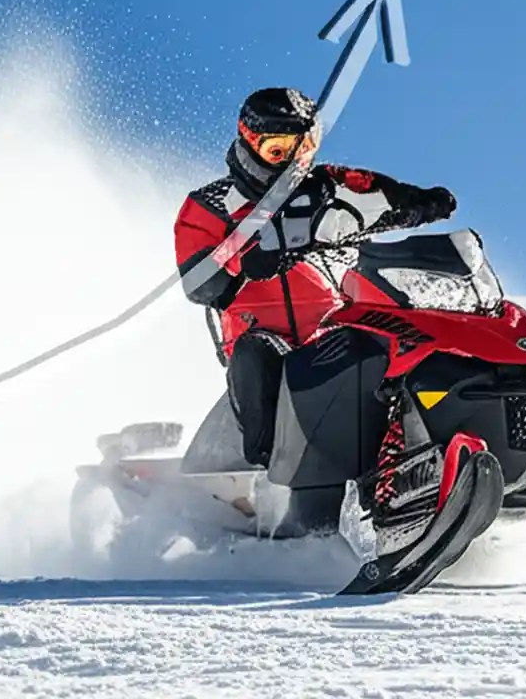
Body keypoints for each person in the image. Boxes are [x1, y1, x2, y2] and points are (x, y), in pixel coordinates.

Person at [173, 87, 457, 468]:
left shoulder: (324, 188)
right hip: (264, 335)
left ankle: (430, 444)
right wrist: (247, 261)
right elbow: (200, 284)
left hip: (332, 326)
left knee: (399, 335)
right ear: (250, 144)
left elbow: (375, 195)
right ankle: (267, 465)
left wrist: (424, 203)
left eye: (302, 147)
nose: (291, 162)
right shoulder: (210, 206)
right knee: (258, 356)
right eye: (277, 150)